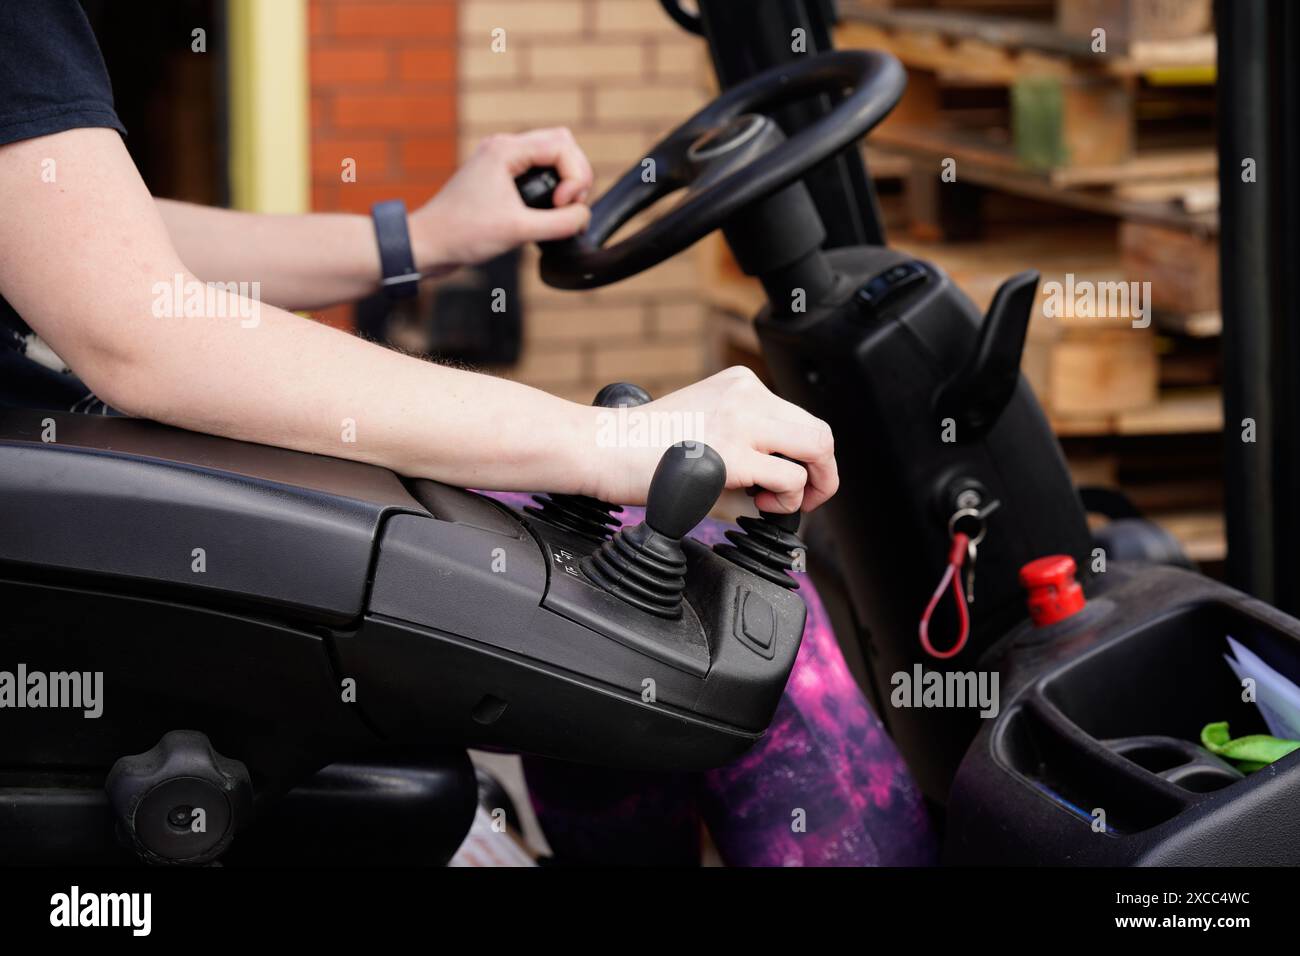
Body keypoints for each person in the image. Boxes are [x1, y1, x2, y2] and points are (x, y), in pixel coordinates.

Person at [0, 0, 934, 865]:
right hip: (58, 533)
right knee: (736, 629)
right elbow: (133, 326)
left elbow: (93, 237)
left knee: (626, 618)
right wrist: (605, 446)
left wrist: (421, 239)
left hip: (60, 488)